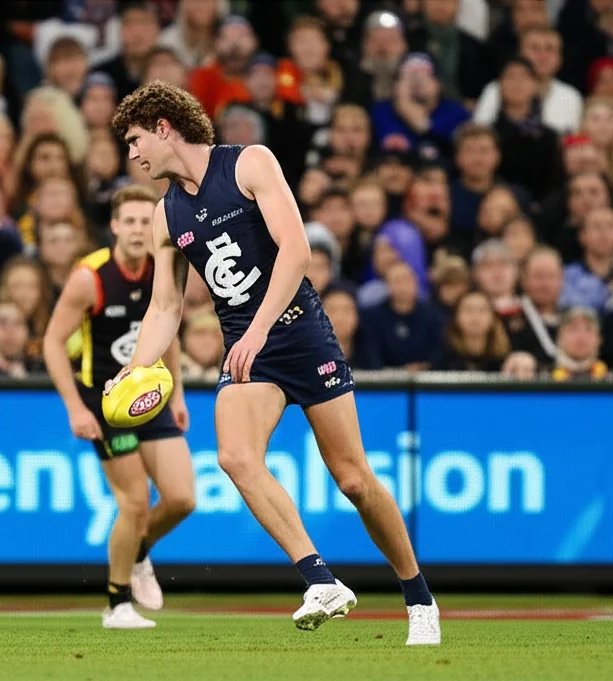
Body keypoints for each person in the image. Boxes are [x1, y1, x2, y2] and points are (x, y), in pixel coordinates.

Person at [109, 81, 440, 645]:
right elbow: (165, 306)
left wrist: (257, 331)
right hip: (247, 348)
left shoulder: (249, 164)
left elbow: (297, 250)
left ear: (164, 126)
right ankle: (320, 579)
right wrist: (136, 369)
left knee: (354, 479)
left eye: (136, 139)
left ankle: (419, 598)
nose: (132, 154)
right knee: (236, 457)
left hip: (298, 335)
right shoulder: (166, 215)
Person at [43, 183, 196, 630]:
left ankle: (140, 551)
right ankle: (118, 604)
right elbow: (52, 342)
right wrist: (75, 408)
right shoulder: (89, 277)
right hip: (106, 403)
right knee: (133, 503)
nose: (135, 229)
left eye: (143, 221)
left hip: (151, 396)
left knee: (183, 498)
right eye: (127, 220)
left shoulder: (164, 269)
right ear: (113, 226)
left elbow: (170, 335)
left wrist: (179, 396)